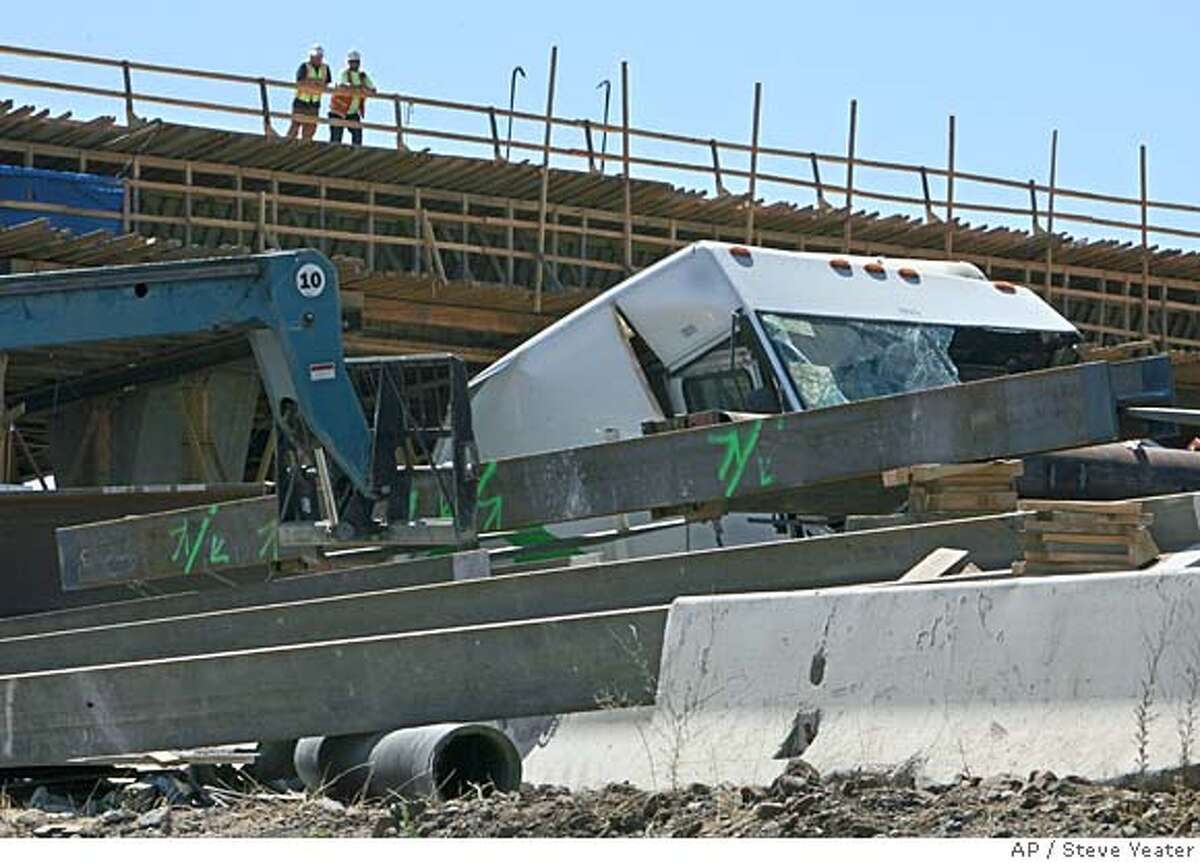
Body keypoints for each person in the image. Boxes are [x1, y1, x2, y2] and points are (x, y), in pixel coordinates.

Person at [328, 50, 376, 146]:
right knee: (336, 137)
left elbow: (373, 90)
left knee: (357, 134)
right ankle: (334, 151)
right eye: (352, 62)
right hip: (338, 110)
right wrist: (359, 88)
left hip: (352, 112)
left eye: (356, 62)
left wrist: (362, 89)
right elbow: (342, 86)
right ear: (348, 62)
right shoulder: (344, 73)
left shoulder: (362, 76)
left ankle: (356, 152)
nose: (354, 64)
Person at [286, 44, 331, 140]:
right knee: (294, 128)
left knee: (310, 130)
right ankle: (287, 145)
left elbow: (326, 84)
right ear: (311, 56)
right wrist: (316, 82)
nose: (318, 59)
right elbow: (300, 82)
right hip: (301, 101)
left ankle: (305, 146)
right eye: (316, 56)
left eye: (319, 56)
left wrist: (311, 82)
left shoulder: (325, 68)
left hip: (314, 103)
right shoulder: (304, 66)